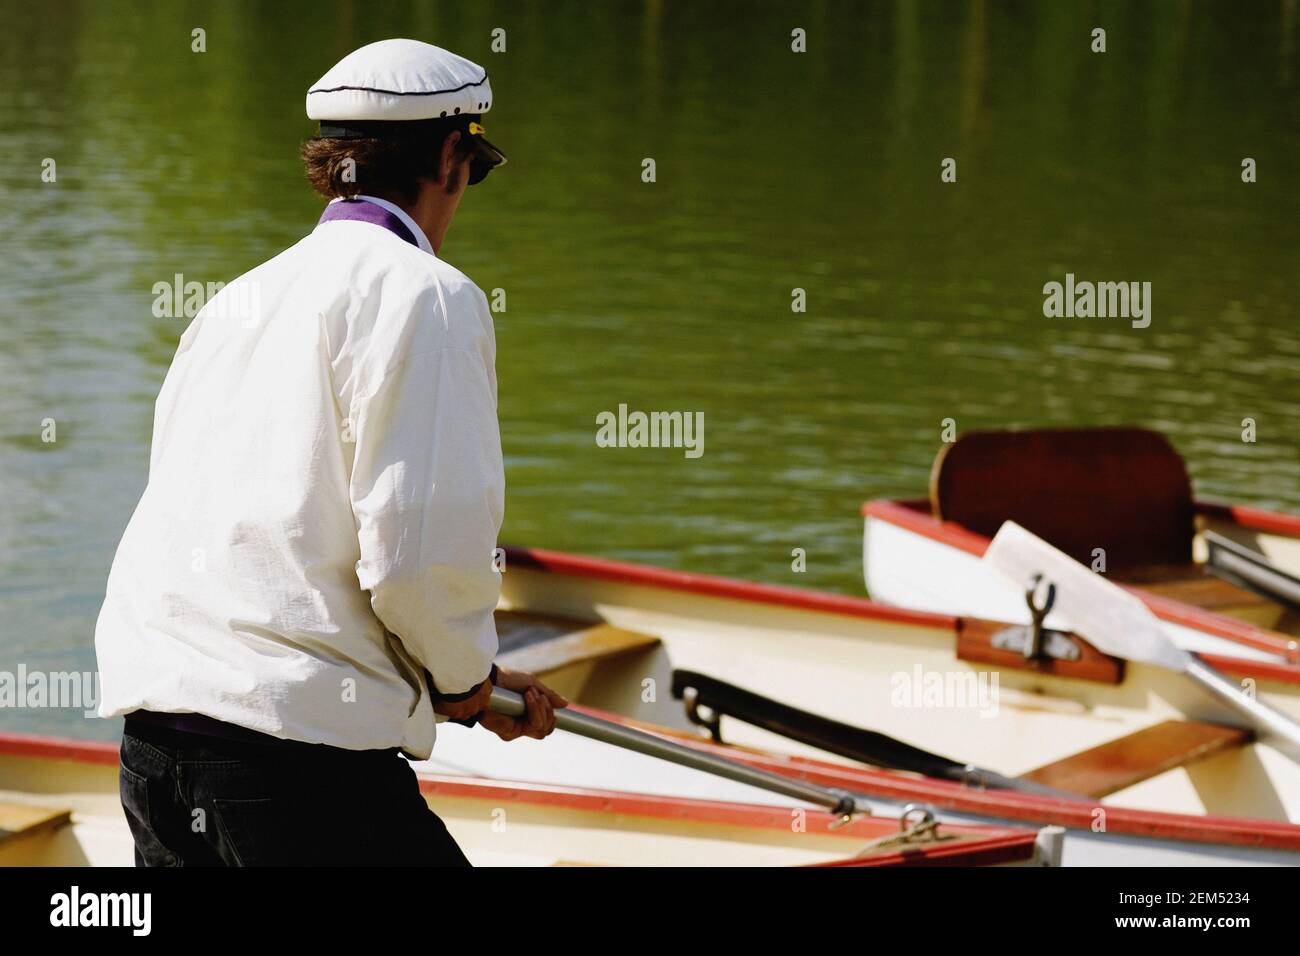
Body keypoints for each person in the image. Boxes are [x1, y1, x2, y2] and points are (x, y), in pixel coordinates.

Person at [94, 38, 564, 866]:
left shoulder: (237, 298)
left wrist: (463, 684)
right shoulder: (431, 296)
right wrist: (464, 682)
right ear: (452, 157)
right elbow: (420, 553)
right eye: (476, 170)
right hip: (291, 764)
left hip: (156, 742)